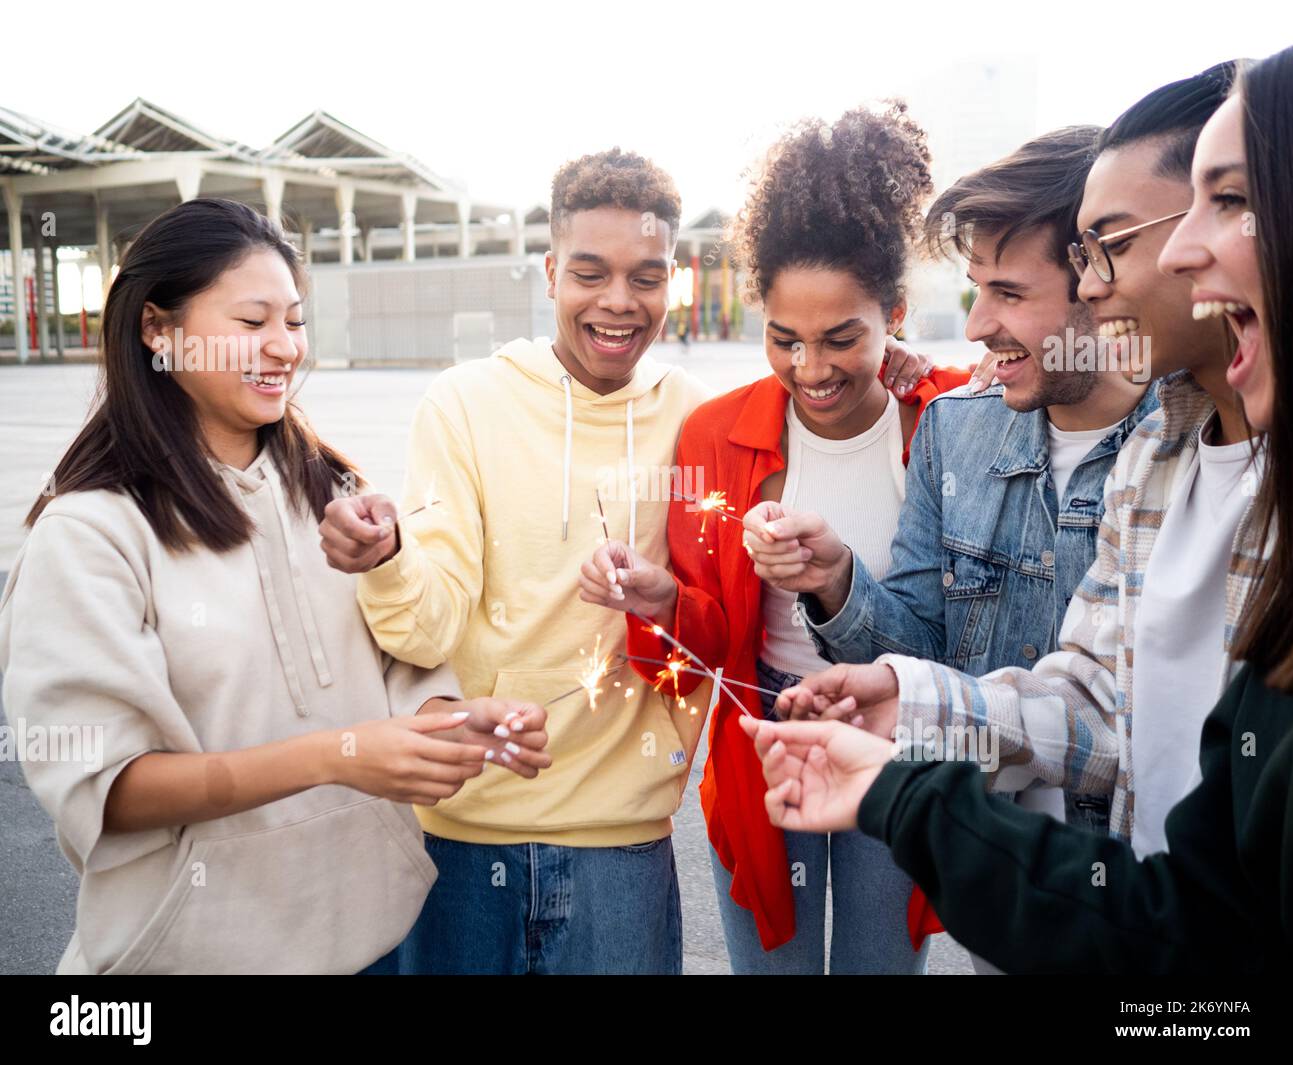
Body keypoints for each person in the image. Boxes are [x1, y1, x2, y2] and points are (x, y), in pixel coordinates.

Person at [744, 45, 1293, 972]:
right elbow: (1096, 703)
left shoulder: (1206, 456)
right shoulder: (1155, 456)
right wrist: (900, 687)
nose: (1096, 281)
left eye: (1104, 247)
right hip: (1095, 922)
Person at [0, 198, 550, 975]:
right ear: (159, 331)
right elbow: (111, 787)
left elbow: (401, 671)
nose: (283, 347)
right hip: (186, 958)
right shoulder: (90, 532)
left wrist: (451, 726)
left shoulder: (336, 491)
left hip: (375, 946)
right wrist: (338, 755)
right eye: (252, 320)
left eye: (293, 321)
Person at [579, 103, 967, 973]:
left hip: (894, 732)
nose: (811, 368)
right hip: (766, 733)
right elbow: (709, 646)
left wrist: (921, 370)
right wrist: (665, 600)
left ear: (894, 312)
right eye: (784, 338)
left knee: (879, 960)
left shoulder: (949, 415)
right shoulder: (718, 435)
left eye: (843, 338)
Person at [318, 149, 713, 974]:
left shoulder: (696, 418)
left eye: (647, 276)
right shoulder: (464, 402)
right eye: (590, 272)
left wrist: (667, 596)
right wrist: (387, 557)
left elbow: (716, 622)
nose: (618, 301)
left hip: (624, 845)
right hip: (462, 837)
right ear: (549, 273)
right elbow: (427, 628)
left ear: (674, 279)